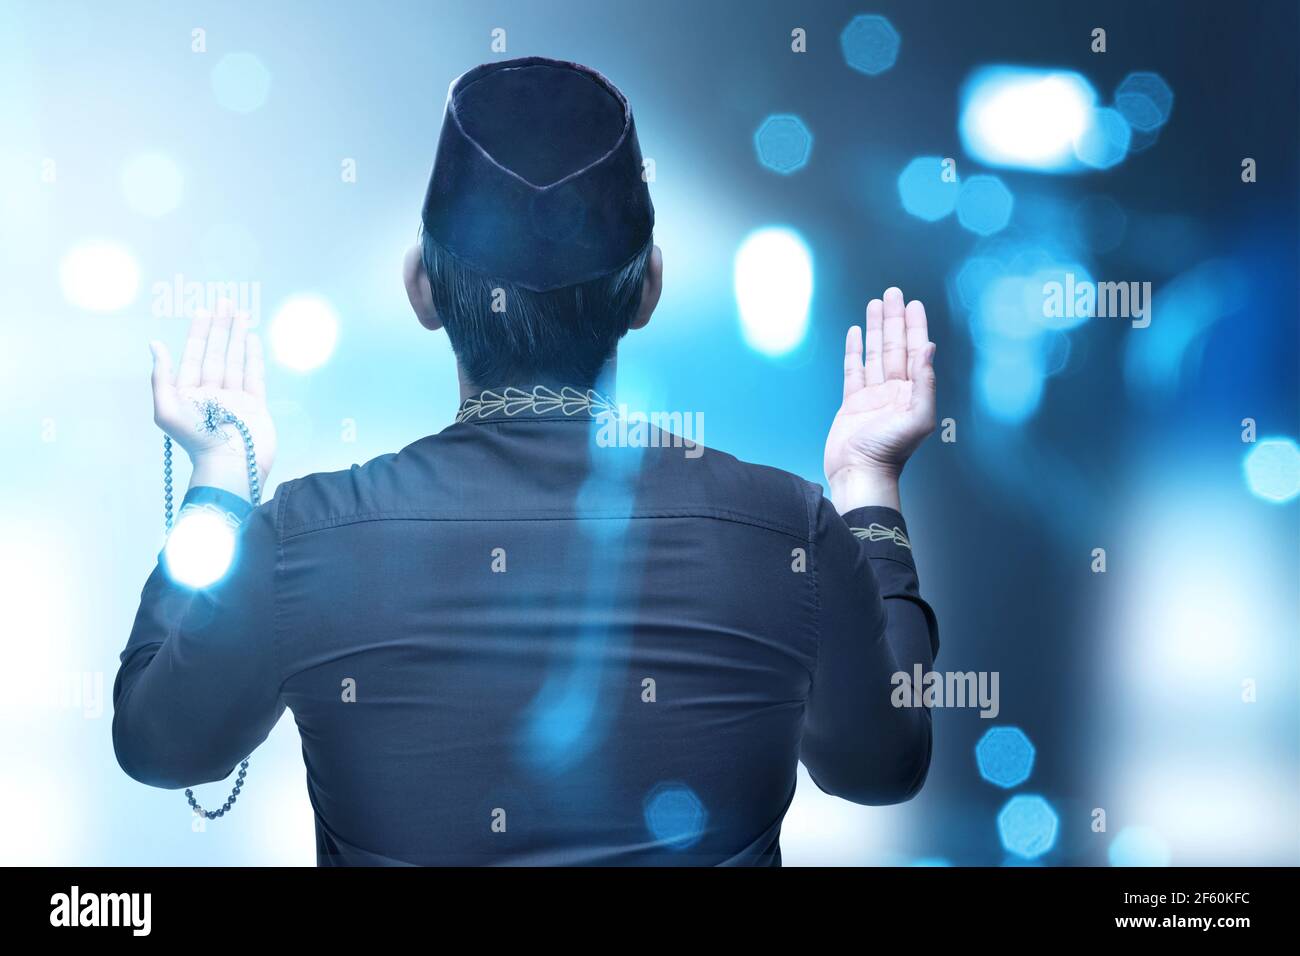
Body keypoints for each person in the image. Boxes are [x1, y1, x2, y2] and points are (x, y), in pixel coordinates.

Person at [114, 56, 939, 865]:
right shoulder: (785, 532)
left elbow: (160, 745)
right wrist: (870, 492)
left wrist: (220, 481)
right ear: (648, 286)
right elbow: (880, 766)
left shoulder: (302, 537)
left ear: (421, 290)